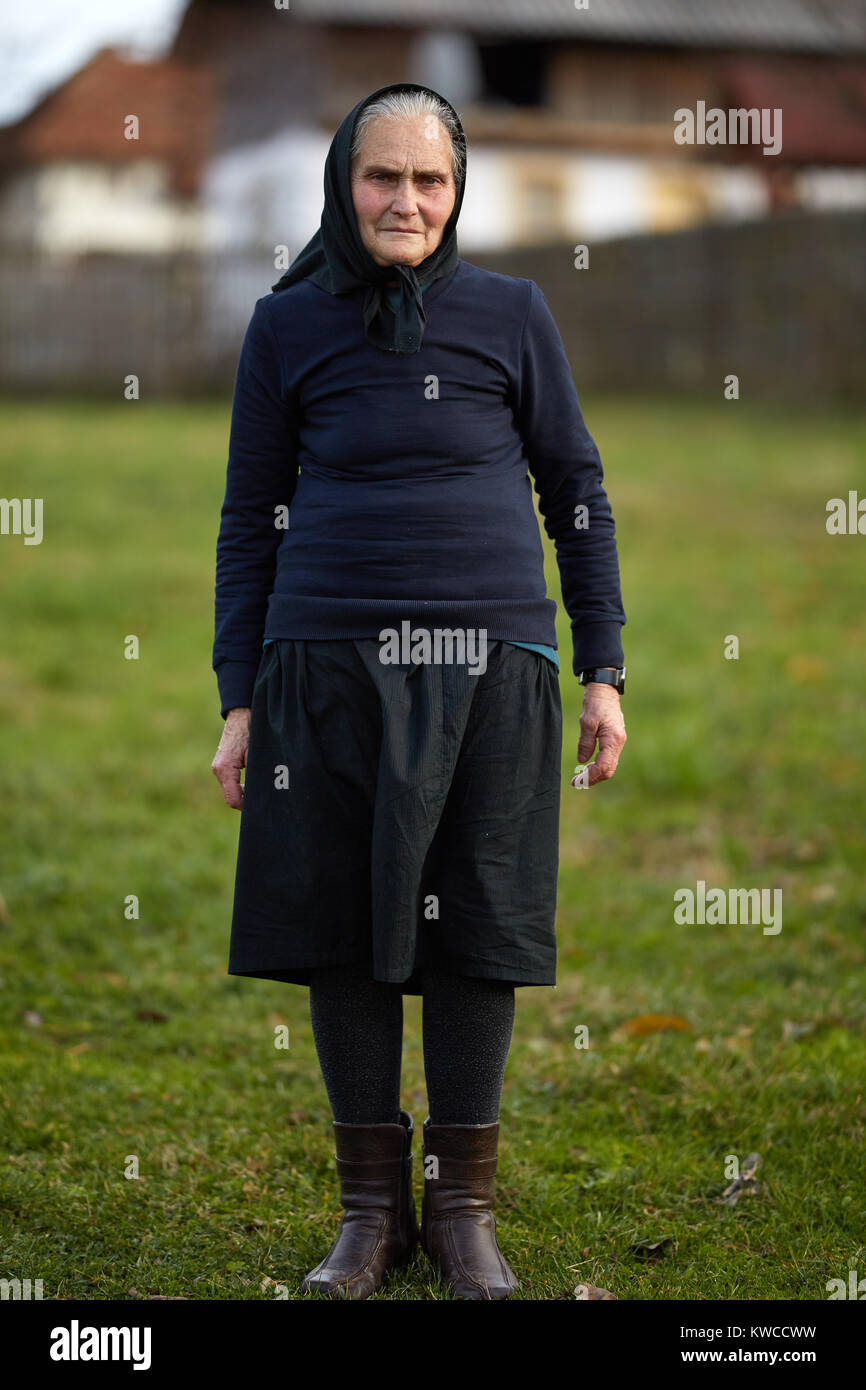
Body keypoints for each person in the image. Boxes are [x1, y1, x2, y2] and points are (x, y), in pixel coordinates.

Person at [211, 81, 627, 1301]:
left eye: (429, 180)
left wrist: (599, 665)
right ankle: (366, 1216)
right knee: (342, 933)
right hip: (324, 665)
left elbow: (576, 489)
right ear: (344, 185)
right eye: (381, 178)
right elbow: (248, 517)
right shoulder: (284, 328)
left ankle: (460, 1216)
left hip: (495, 665)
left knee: (476, 930)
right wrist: (241, 694)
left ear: (457, 191)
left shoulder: (512, 314)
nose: (405, 200)